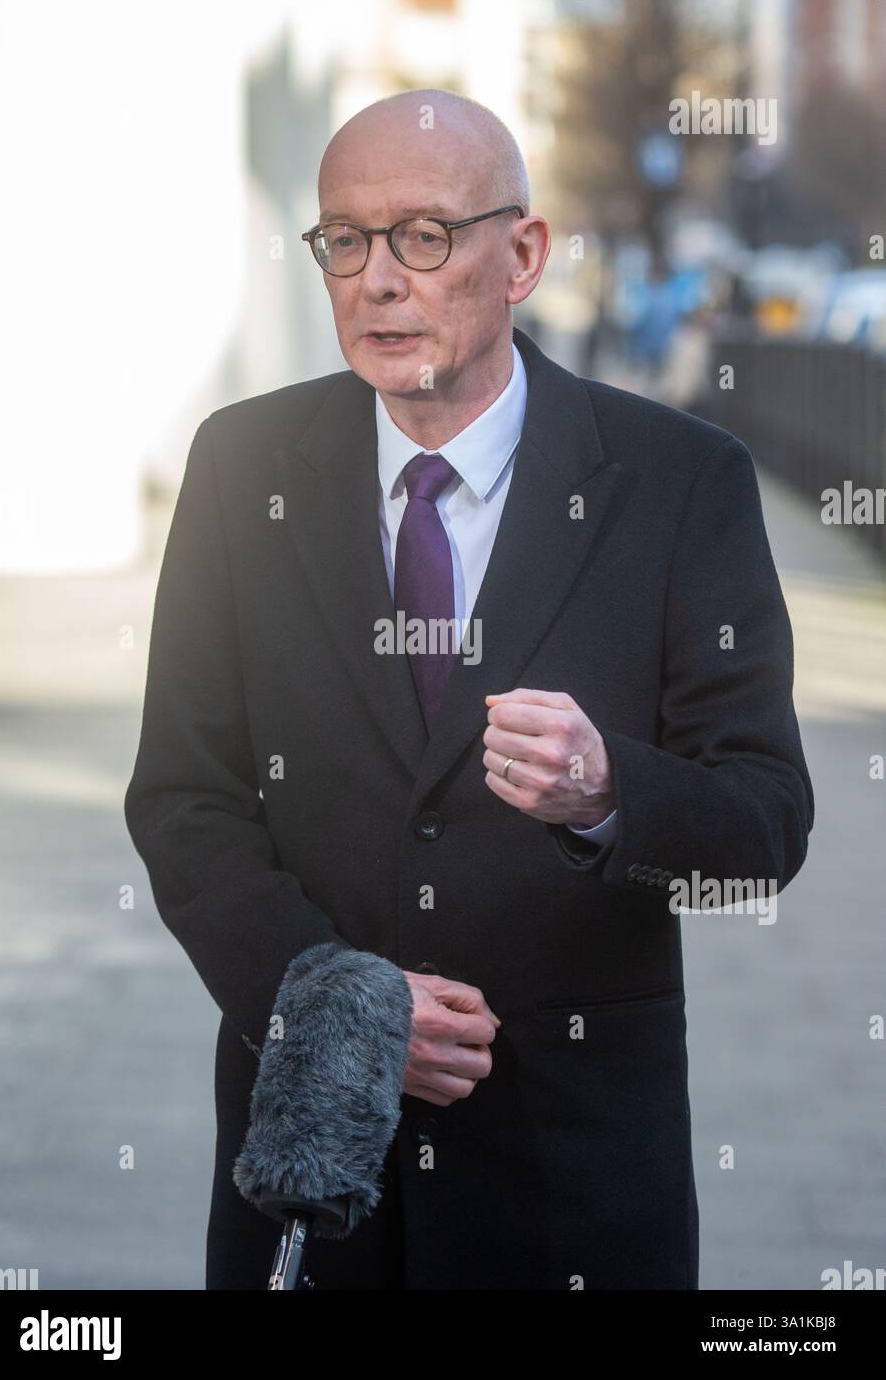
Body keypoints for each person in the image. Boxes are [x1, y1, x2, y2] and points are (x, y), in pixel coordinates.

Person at [124, 88, 813, 1290]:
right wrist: (341, 1004)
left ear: (523, 255)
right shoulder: (241, 466)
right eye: (346, 239)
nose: (379, 278)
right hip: (317, 1177)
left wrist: (608, 791)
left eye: (425, 236)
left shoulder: (681, 480)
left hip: (570, 1180)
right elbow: (183, 799)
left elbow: (762, 822)